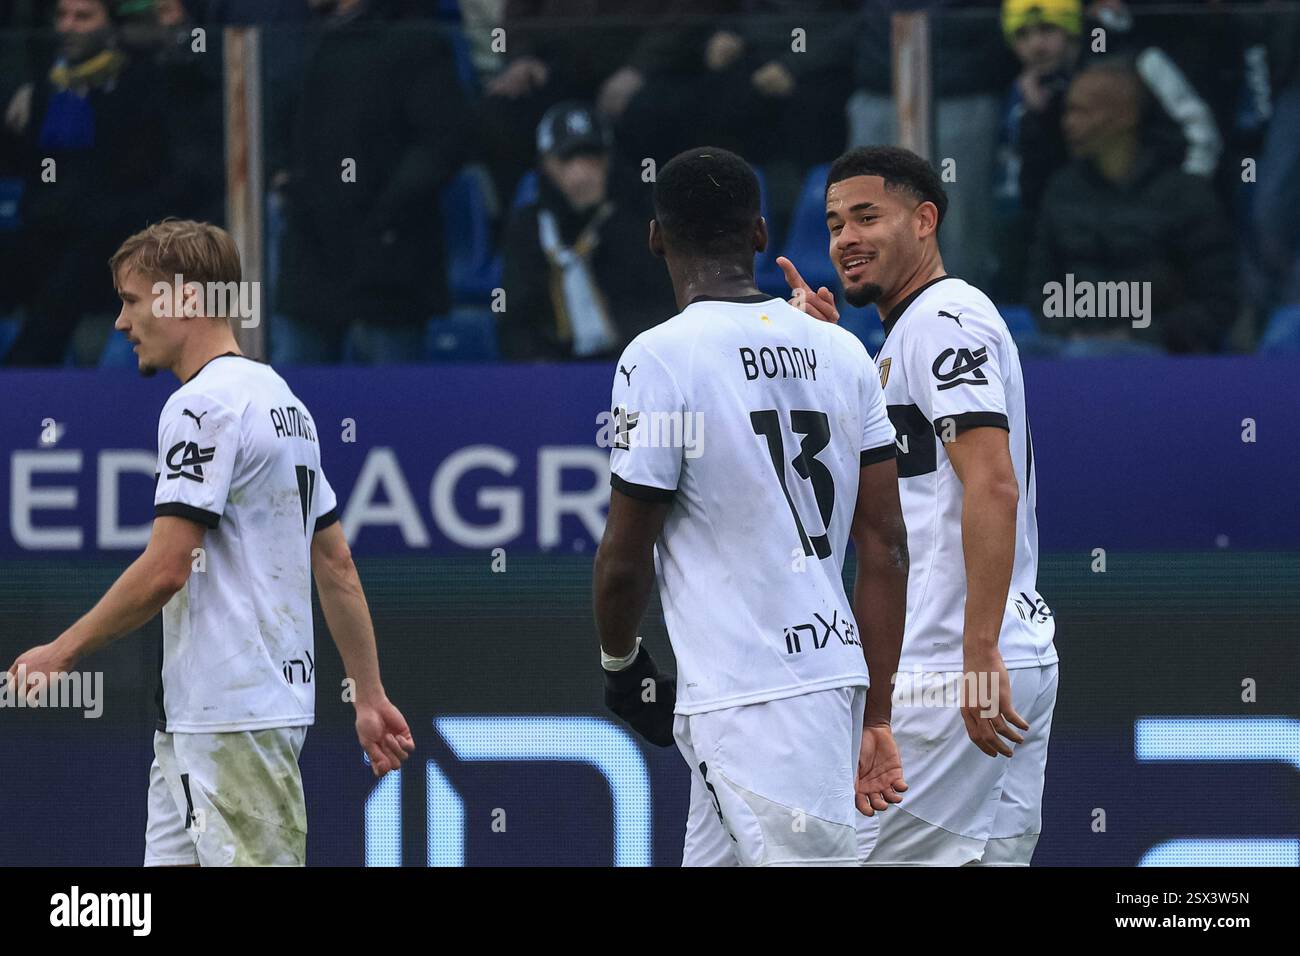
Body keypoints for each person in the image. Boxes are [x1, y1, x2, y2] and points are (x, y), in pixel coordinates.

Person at [6, 220, 414, 866]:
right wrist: (367, 692)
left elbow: (168, 566)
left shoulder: (202, 407)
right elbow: (336, 564)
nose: (120, 322)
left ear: (187, 301)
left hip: (231, 723)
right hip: (205, 726)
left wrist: (63, 648)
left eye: (133, 301)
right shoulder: (286, 403)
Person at [592, 147, 910, 867]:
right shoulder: (842, 353)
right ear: (761, 235)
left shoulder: (659, 357)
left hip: (746, 694)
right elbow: (888, 549)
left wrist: (620, 662)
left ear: (656, 238)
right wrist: (877, 709)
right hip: (826, 678)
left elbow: (625, 552)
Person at [780, 145, 1058, 865]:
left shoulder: (943, 318)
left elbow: (992, 483)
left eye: (867, 216)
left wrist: (976, 649)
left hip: (951, 660)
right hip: (994, 651)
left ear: (925, 219)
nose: (846, 238)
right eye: (836, 223)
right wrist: (831, 350)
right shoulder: (906, 336)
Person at [1025, 62, 1237, 353]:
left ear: (1126, 116)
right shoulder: (1063, 189)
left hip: (1161, 356)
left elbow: (1218, 301)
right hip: (1072, 344)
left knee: (1088, 355)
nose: (1068, 122)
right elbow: (1039, 287)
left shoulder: (1185, 194)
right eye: (1067, 111)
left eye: (1082, 111)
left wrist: (1143, 337)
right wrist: (1067, 332)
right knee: (1010, 355)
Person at [498, 102, 674, 360]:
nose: (581, 170)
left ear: (609, 159)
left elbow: (662, 305)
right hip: (557, 375)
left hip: (636, 364)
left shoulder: (645, 219)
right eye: (567, 158)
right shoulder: (528, 228)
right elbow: (514, 319)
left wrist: (607, 225)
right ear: (546, 164)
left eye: (592, 156)